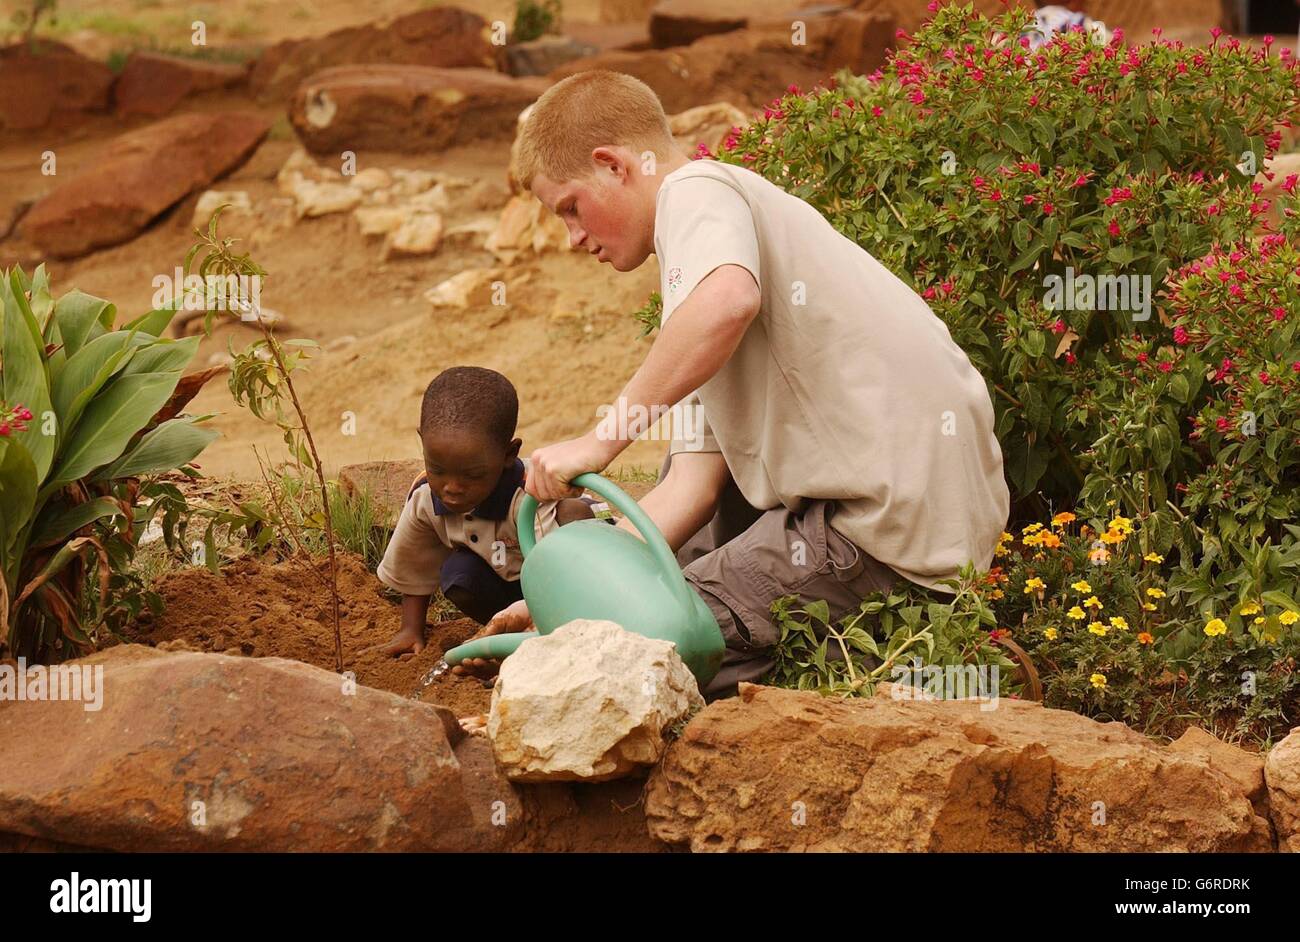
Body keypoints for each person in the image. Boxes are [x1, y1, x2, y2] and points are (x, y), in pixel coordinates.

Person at [477, 70, 1010, 700]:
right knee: (613, 622)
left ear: (614, 166)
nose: (573, 237)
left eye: (570, 207)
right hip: (886, 522)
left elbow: (727, 302)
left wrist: (601, 440)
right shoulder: (702, 266)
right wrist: (567, 599)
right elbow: (691, 487)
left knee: (636, 658)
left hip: (881, 533)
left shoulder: (697, 194)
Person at [371, 366, 593, 659]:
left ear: (508, 455)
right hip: (505, 587)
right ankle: (507, 634)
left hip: (568, 587)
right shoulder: (426, 498)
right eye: (437, 470)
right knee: (458, 575)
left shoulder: (529, 497)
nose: (451, 488)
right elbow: (414, 564)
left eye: (472, 476)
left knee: (573, 513)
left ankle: (545, 639)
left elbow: (559, 575)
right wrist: (410, 630)